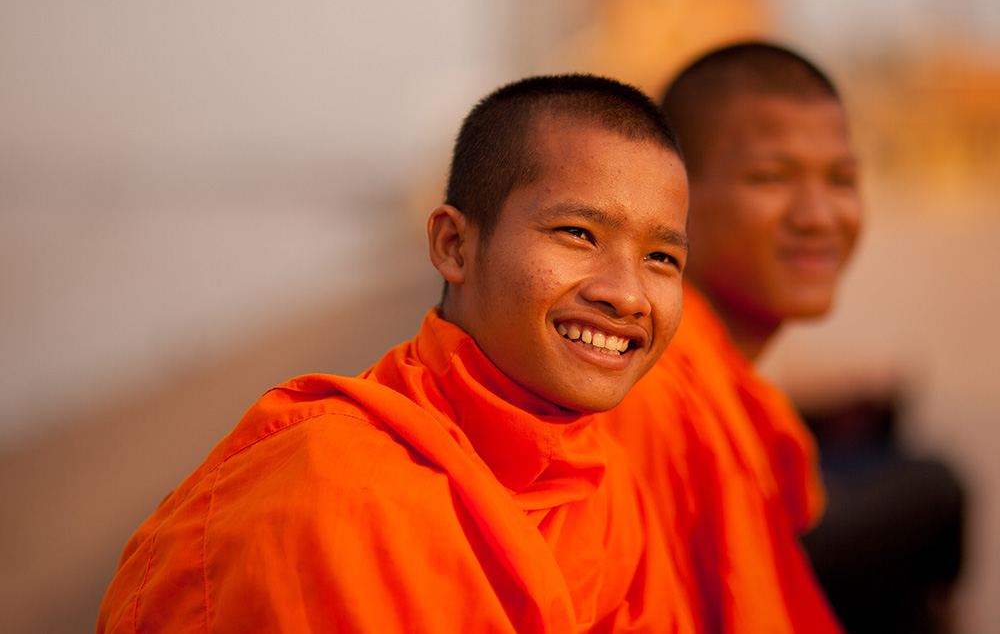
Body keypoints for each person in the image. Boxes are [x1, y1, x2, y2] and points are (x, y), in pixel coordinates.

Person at [97, 74, 699, 633]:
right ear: (454, 245)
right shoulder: (329, 489)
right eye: (578, 234)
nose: (626, 294)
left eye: (662, 258)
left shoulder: (608, 488)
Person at [600, 41, 861, 633]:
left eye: (842, 179)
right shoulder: (643, 391)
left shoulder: (716, 368)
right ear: (673, 195)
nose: (819, 215)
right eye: (772, 177)